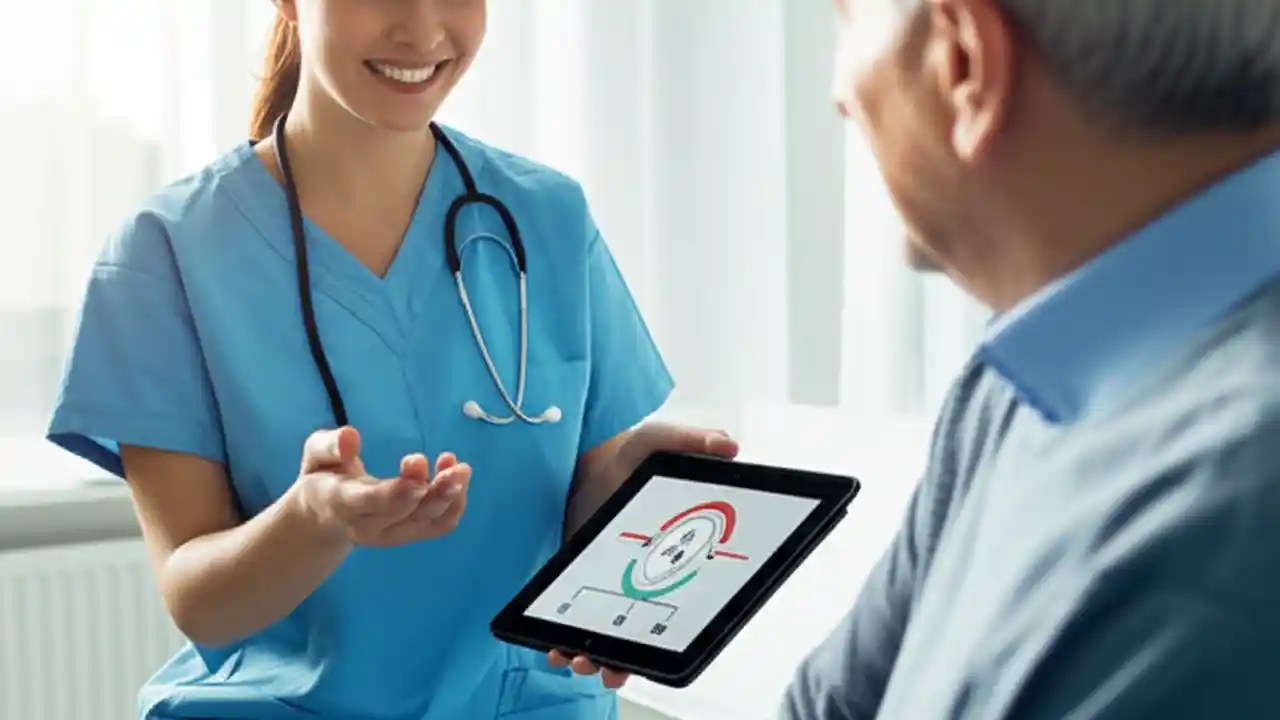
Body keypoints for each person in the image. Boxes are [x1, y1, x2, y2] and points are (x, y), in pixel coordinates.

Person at [46, 1, 736, 718]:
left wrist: (627, 486)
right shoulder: (168, 254)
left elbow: (574, 510)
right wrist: (312, 522)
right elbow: (200, 605)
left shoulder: (550, 218)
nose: (422, 30)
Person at [783, 0, 1280, 717]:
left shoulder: (1227, 544)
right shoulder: (1024, 376)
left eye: (846, 21)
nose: (839, 96)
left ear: (963, 64)